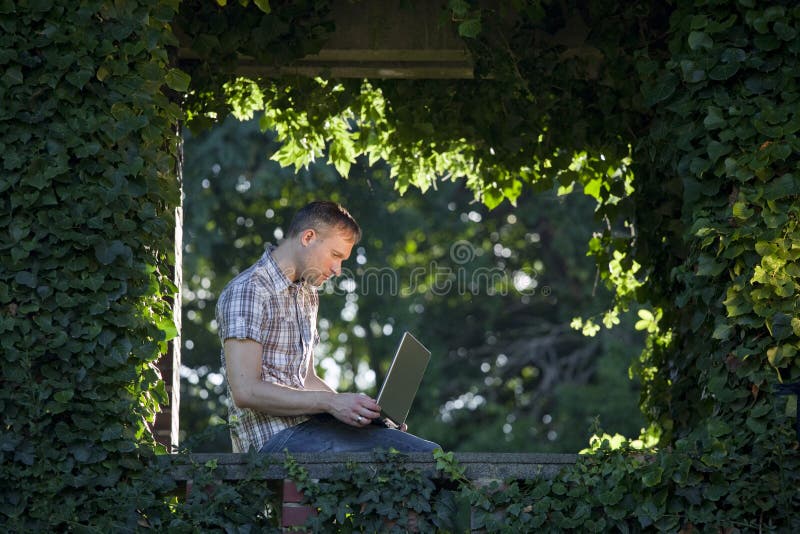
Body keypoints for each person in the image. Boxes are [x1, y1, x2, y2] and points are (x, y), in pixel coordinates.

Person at [216, 200, 440, 454]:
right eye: (336, 255)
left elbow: (307, 378)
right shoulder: (249, 290)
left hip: (314, 430)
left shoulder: (307, 294)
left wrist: (358, 412)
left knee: (427, 452)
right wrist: (331, 402)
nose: (337, 270)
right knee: (418, 458)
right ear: (308, 237)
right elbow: (246, 391)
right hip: (273, 442)